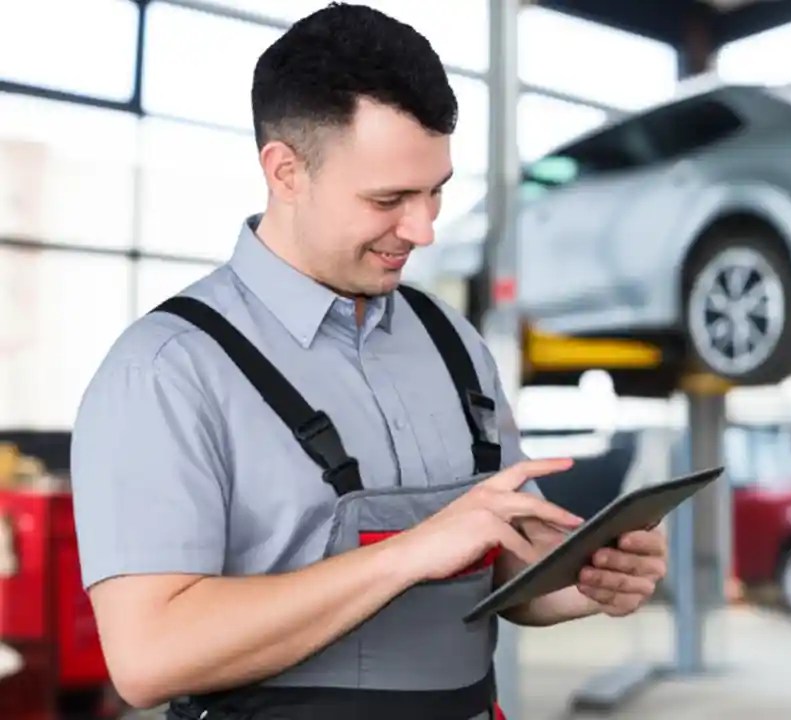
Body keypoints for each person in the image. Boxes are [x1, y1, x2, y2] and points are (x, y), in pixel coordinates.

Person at [69, 5, 668, 719]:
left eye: (436, 190)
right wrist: (408, 553)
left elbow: (503, 565)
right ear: (285, 170)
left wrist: (585, 580)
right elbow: (148, 656)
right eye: (389, 199)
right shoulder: (166, 372)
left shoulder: (453, 343)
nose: (422, 228)